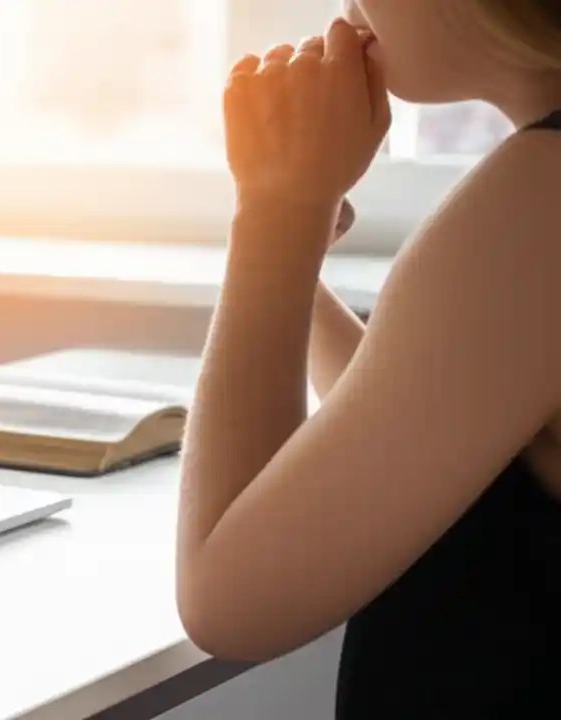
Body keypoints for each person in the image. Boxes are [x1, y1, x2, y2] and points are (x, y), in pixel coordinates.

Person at [174, 1, 561, 716]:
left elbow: (232, 603)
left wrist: (275, 212)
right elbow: (413, 440)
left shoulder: (539, 202)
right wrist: (292, 240)